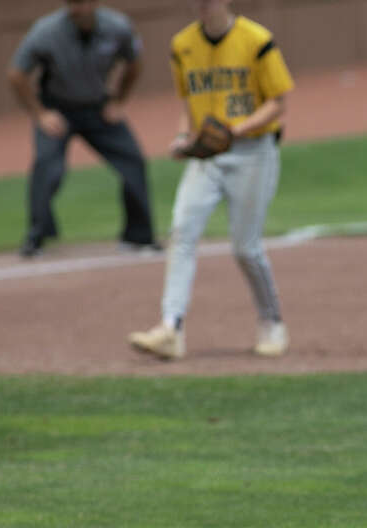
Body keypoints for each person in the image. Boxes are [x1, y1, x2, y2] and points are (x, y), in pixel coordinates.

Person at [127, 0, 292, 360]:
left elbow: (279, 102)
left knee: (246, 248)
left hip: (253, 152)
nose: (201, 5)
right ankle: (171, 328)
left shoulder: (256, 40)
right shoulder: (182, 45)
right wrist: (182, 138)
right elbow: (190, 105)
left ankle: (272, 323)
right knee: (182, 234)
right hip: (207, 155)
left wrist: (237, 130)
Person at [8, 0, 158, 258]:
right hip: (58, 109)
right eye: (71, 3)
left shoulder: (117, 26)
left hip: (97, 108)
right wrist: (40, 114)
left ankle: (139, 236)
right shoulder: (46, 31)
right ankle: (36, 237)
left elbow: (135, 63)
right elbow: (16, 74)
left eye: (82, 2)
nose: (77, 8)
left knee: (133, 160)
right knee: (47, 166)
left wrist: (119, 101)